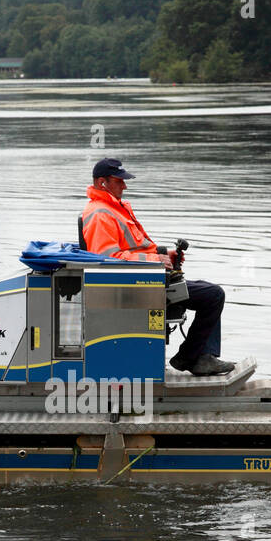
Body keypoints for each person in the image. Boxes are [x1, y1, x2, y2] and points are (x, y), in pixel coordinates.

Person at [82, 158, 235, 377]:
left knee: (207, 291)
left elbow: (133, 247)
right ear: (102, 182)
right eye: (119, 181)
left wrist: (163, 255)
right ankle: (194, 358)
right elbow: (108, 259)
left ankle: (195, 357)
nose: (124, 186)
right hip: (135, 288)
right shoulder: (100, 214)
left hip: (144, 280)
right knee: (213, 295)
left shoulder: (114, 208)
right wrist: (155, 260)